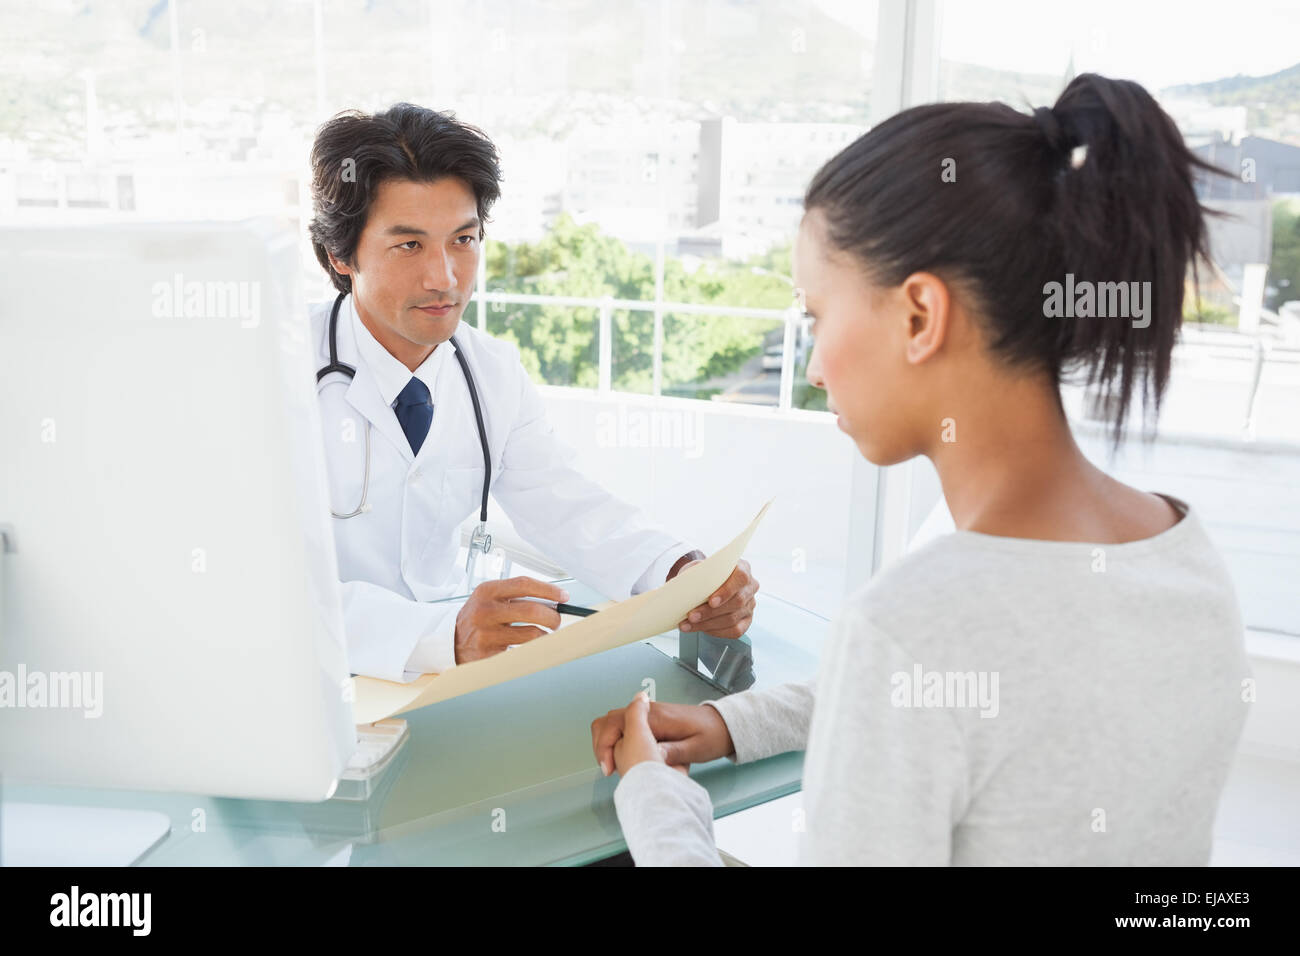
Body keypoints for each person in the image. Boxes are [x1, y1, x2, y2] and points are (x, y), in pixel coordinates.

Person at [591, 74, 1252, 865]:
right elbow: (993, 691)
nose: (813, 370)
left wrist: (655, 800)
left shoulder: (908, 624)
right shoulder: (1183, 554)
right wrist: (740, 723)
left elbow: (935, 665)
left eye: (817, 315)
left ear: (919, 316)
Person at [306, 104, 759, 682]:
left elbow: (564, 503)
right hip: (318, 689)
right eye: (409, 246)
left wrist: (681, 573)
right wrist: (433, 636)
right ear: (339, 255)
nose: (444, 277)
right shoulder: (276, 376)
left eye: (463, 239)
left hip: (447, 686)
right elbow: (261, 586)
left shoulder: (490, 370)